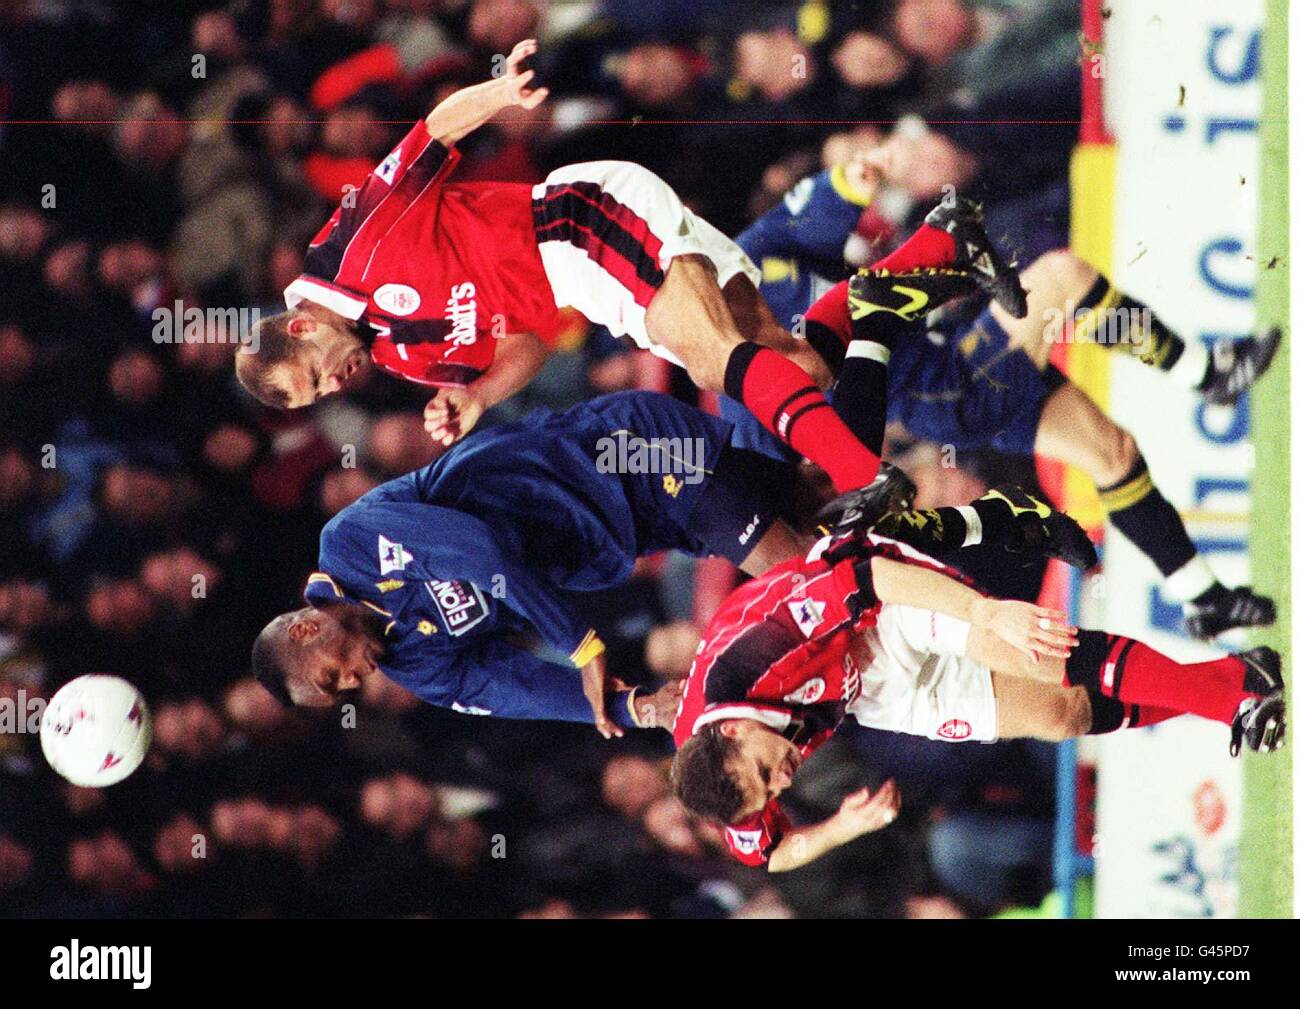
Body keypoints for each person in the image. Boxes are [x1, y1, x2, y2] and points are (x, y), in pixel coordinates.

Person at [233, 38, 1025, 504]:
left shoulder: (355, 243)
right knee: (792, 363)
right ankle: (942, 243)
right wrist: (475, 393)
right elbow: (534, 339)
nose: (334, 388)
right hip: (589, 291)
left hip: (577, 223)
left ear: (301, 327)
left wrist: (500, 93)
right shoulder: (401, 357)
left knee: (728, 367)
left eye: (315, 376)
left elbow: (433, 131)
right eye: (319, 398)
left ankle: (867, 485)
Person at [722, 154, 1280, 638]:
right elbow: (778, 482)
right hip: (951, 388)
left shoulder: (748, 256)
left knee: (1112, 453)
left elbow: (818, 206)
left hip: (949, 351)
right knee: (1063, 280)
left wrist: (856, 173)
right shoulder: (740, 386)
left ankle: (1205, 601)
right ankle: (1208, 376)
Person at [669, 519, 1286, 871]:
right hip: (867, 691)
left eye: (765, 772)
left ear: (732, 729)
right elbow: (768, 854)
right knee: (1061, 715)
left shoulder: (756, 650)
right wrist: (840, 828)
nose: (783, 782)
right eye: (770, 791)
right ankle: (1237, 678)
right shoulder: (723, 785)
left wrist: (985, 614)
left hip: (878, 605)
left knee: (1038, 656)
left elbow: (869, 578)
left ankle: (1235, 698)